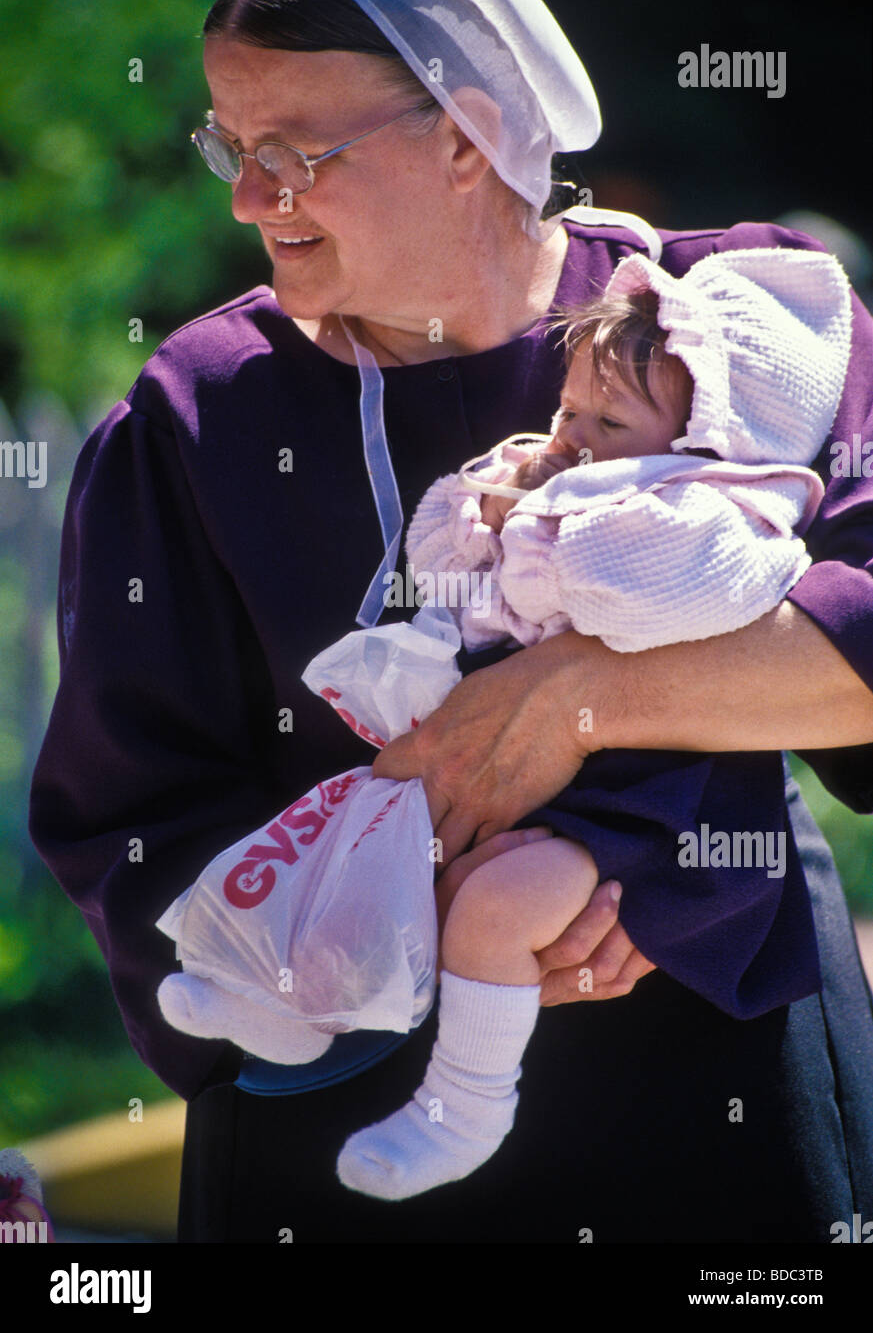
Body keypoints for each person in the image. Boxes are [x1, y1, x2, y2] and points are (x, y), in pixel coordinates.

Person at [28, 0, 873, 1243]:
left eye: (297, 152)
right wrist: (409, 928)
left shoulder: (727, 325)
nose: (250, 196)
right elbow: (125, 826)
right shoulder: (195, 413)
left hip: (726, 1103)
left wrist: (582, 702)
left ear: (473, 137)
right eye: (228, 142)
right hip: (344, 1146)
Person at [154, 247, 851, 1203]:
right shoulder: (577, 478)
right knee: (369, 819)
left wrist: (552, 523)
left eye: (609, 423)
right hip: (555, 773)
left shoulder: (721, 514)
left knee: (490, 906)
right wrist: (485, 511)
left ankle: (464, 1108)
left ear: (703, 442)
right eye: (568, 411)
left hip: (649, 798)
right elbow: (442, 566)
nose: (573, 437)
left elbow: (651, 599)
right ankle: (270, 994)